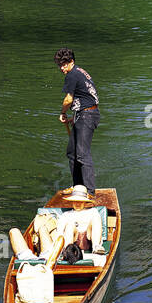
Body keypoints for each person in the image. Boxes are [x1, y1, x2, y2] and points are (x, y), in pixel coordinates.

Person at [55, 48, 100, 197]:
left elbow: (68, 99)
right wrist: (73, 117)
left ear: (71, 62)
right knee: (72, 153)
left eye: (64, 64)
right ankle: (77, 187)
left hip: (88, 115)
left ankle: (90, 192)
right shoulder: (79, 72)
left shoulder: (72, 75)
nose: (62, 68)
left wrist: (62, 112)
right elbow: (84, 97)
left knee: (82, 154)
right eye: (60, 64)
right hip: (83, 114)